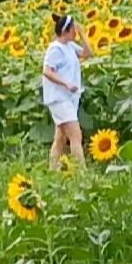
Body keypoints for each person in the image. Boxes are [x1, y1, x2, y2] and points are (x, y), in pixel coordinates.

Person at [42, 13, 93, 170]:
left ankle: (52, 169)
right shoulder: (56, 49)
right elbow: (47, 71)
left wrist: (83, 34)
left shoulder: (70, 46)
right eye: (74, 29)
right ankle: (82, 172)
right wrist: (66, 83)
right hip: (59, 98)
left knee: (61, 137)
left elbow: (88, 54)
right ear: (66, 30)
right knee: (76, 135)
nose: (75, 32)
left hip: (68, 98)